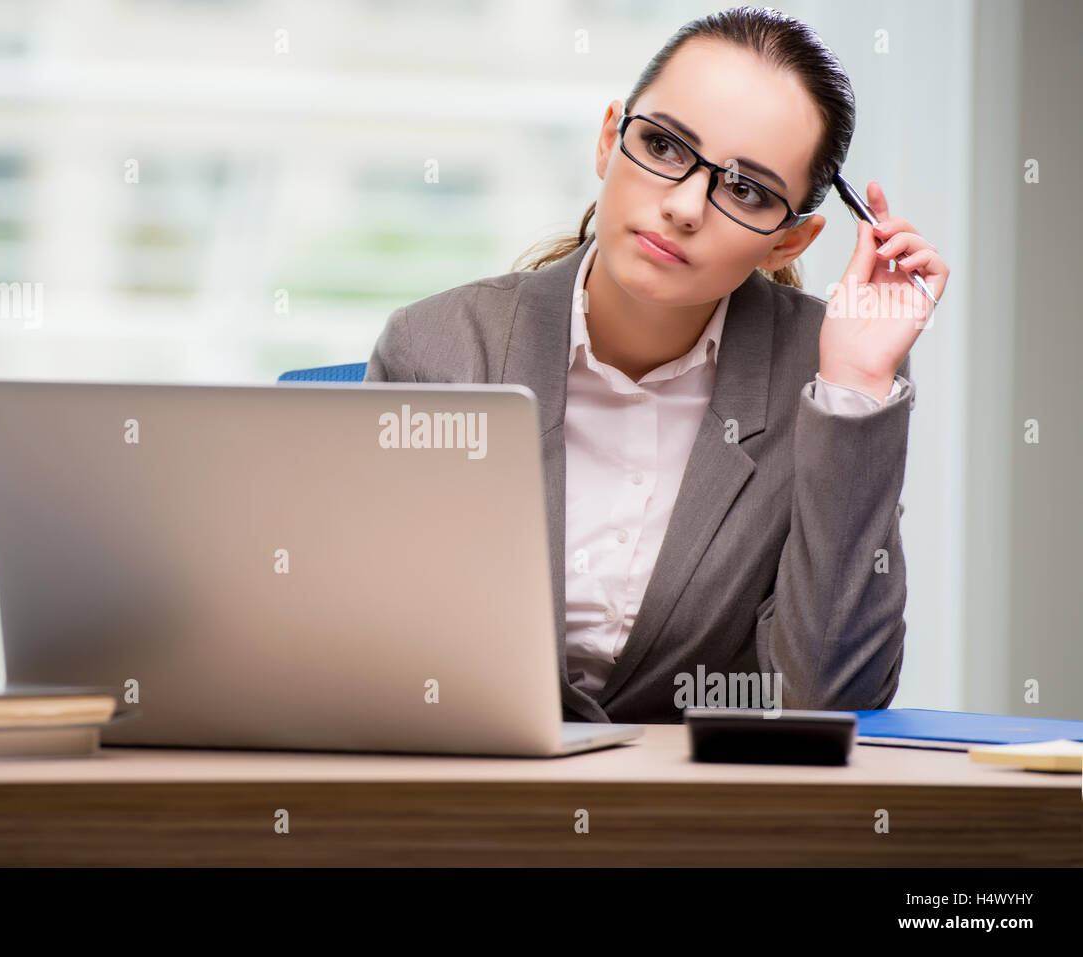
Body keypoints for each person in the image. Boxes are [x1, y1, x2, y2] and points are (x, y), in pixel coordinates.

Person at [363, 5, 950, 723]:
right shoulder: (439, 348)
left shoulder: (824, 376)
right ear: (611, 140)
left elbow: (828, 694)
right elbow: (373, 657)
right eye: (666, 146)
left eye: (746, 190)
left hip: (704, 820)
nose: (684, 206)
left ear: (788, 243)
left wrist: (855, 391)